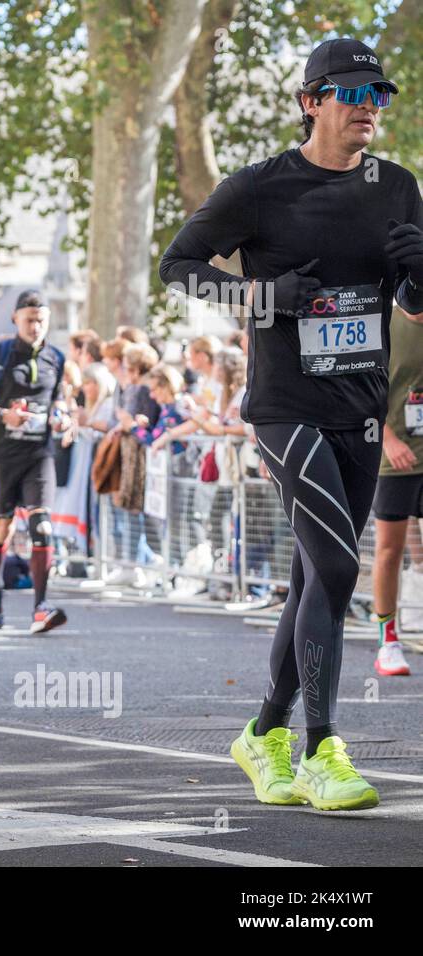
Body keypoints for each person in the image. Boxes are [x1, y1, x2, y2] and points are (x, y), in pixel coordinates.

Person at [161, 37, 423, 811]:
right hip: (285, 408)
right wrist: (262, 298)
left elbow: (411, 302)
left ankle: (263, 732)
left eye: (379, 98)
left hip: (361, 409)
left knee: (315, 573)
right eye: (354, 95)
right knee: (340, 569)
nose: (369, 110)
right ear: (312, 101)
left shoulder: (398, 187)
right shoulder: (260, 188)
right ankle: (320, 749)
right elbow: (178, 265)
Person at [0, 290, 71, 633]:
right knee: (4, 526)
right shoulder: (0, 354)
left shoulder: (57, 358)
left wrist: (63, 419)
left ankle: (40, 606)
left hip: (39, 454)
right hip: (3, 455)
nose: (35, 326)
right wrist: (2, 414)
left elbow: (58, 402)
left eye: (41, 320)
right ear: (15, 320)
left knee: (42, 526)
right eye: (29, 320)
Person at [368, 304, 423, 678]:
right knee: (390, 548)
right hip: (396, 455)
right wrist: (387, 440)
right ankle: (388, 639)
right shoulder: (384, 322)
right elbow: (361, 390)